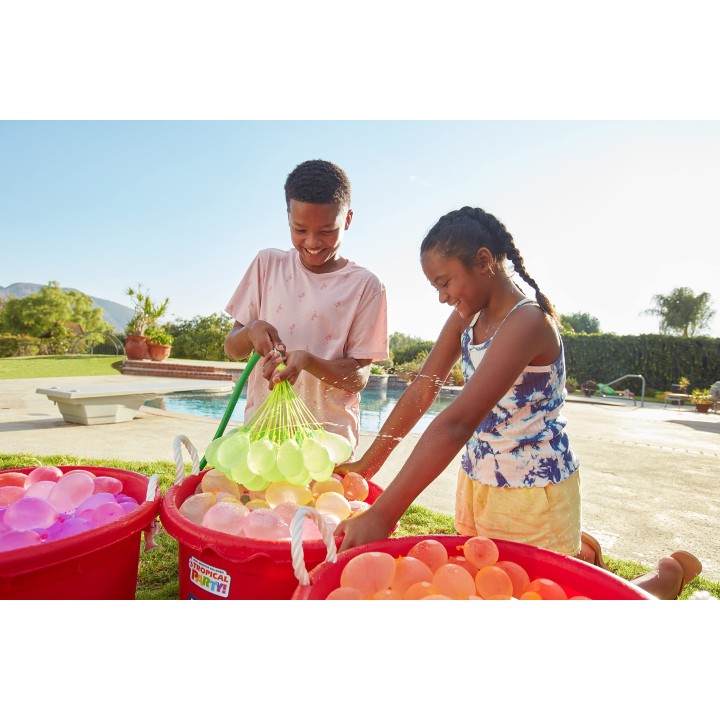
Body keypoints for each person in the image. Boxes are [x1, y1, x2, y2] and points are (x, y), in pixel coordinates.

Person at [335, 206, 701, 599]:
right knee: (490, 591)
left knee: (549, 604)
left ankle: (665, 577)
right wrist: (368, 464)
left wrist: (384, 514)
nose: (442, 298)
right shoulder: (466, 317)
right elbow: (423, 390)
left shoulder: (528, 322)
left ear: (484, 261)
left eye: (445, 282)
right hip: (478, 482)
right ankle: (581, 552)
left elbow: (457, 423)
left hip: (534, 493)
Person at [223, 159, 389, 453]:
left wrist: (311, 362)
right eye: (299, 229)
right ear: (288, 218)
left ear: (348, 219)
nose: (312, 242)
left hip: (327, 446)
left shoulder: (366, 286)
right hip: (264, 441)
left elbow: (359, 377)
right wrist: (250, 331)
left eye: (327, 231)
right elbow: (232, 348)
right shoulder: (267, 265)